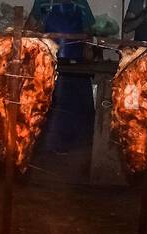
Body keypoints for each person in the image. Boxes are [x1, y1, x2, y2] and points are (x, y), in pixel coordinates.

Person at [41, 1, 96, 153]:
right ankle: (48, 148)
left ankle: (80, 149)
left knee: (76, 106)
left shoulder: (81, 3)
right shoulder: (42, 2)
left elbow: (89, 31)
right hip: (49, 62)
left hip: (76, 64)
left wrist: (88, 47)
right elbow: (31, 27)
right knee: (51, 105)